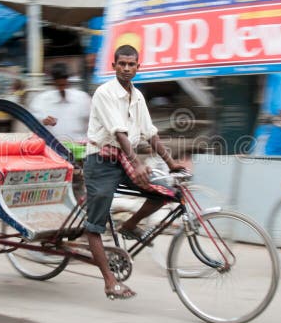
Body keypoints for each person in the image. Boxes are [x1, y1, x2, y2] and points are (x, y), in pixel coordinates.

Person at [82, 44, 185, 300]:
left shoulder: (137, 96)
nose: (127, 69)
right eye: (122, 64)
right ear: (114, 66)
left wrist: (170, 163)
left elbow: (150, 133)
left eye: (131, 64)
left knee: (164, 191)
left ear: (138, 67)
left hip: (123, 159)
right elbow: (119, 132)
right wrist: (137, 163)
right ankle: (109, 282)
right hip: (101, 161)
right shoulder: (104, 93)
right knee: (95, 225)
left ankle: (130, 224)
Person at [28, 63, 91, 143]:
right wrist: (43, 122)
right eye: (59, 85)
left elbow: (94, 122)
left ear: (68, 81)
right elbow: (32, 125)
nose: (61, 88)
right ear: (53, 82)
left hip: (80, 147)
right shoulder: (41, 100)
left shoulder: (82, 98)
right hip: (53, 148)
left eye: (64, 84)